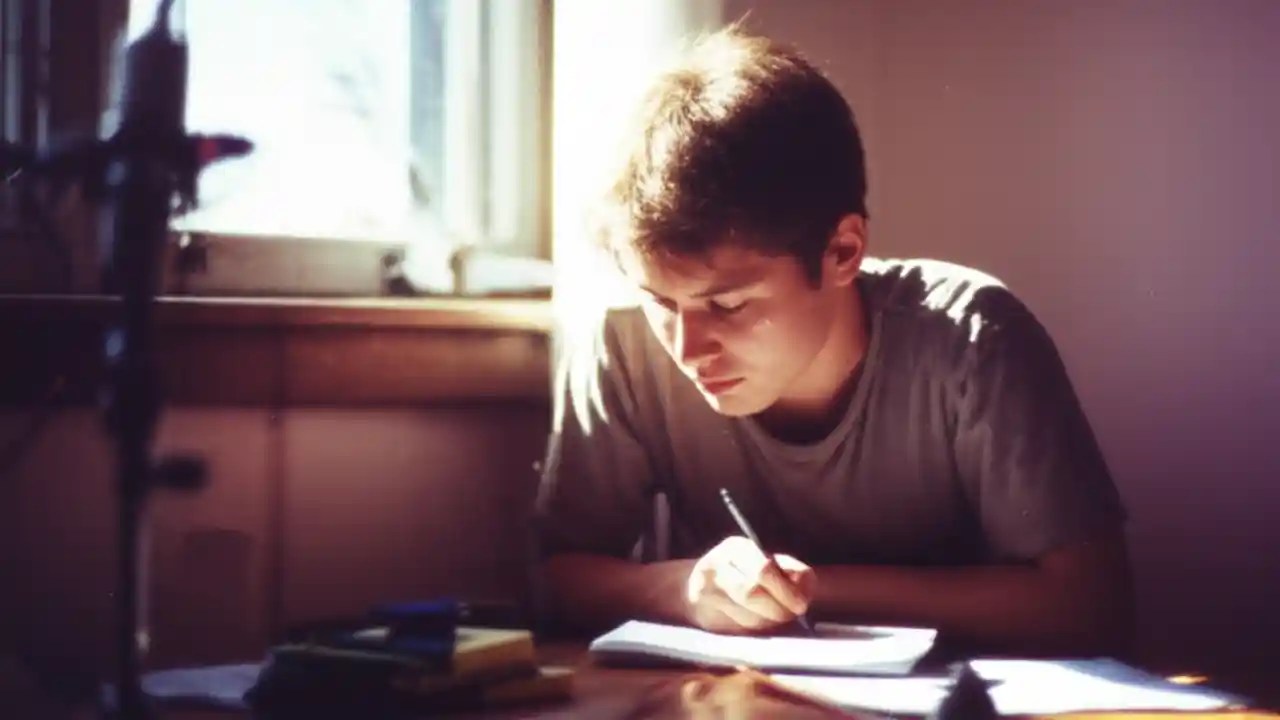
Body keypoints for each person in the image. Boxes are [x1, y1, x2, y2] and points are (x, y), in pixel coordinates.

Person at [533, 26, 1133, 656]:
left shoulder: (971, 340)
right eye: (661, 301)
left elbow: (1093, 605)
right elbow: (553, 580)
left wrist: (814, 591)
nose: (686, 349)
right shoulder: (623, 340)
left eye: (728, 305)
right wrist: (684, 592)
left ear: (843, 251)